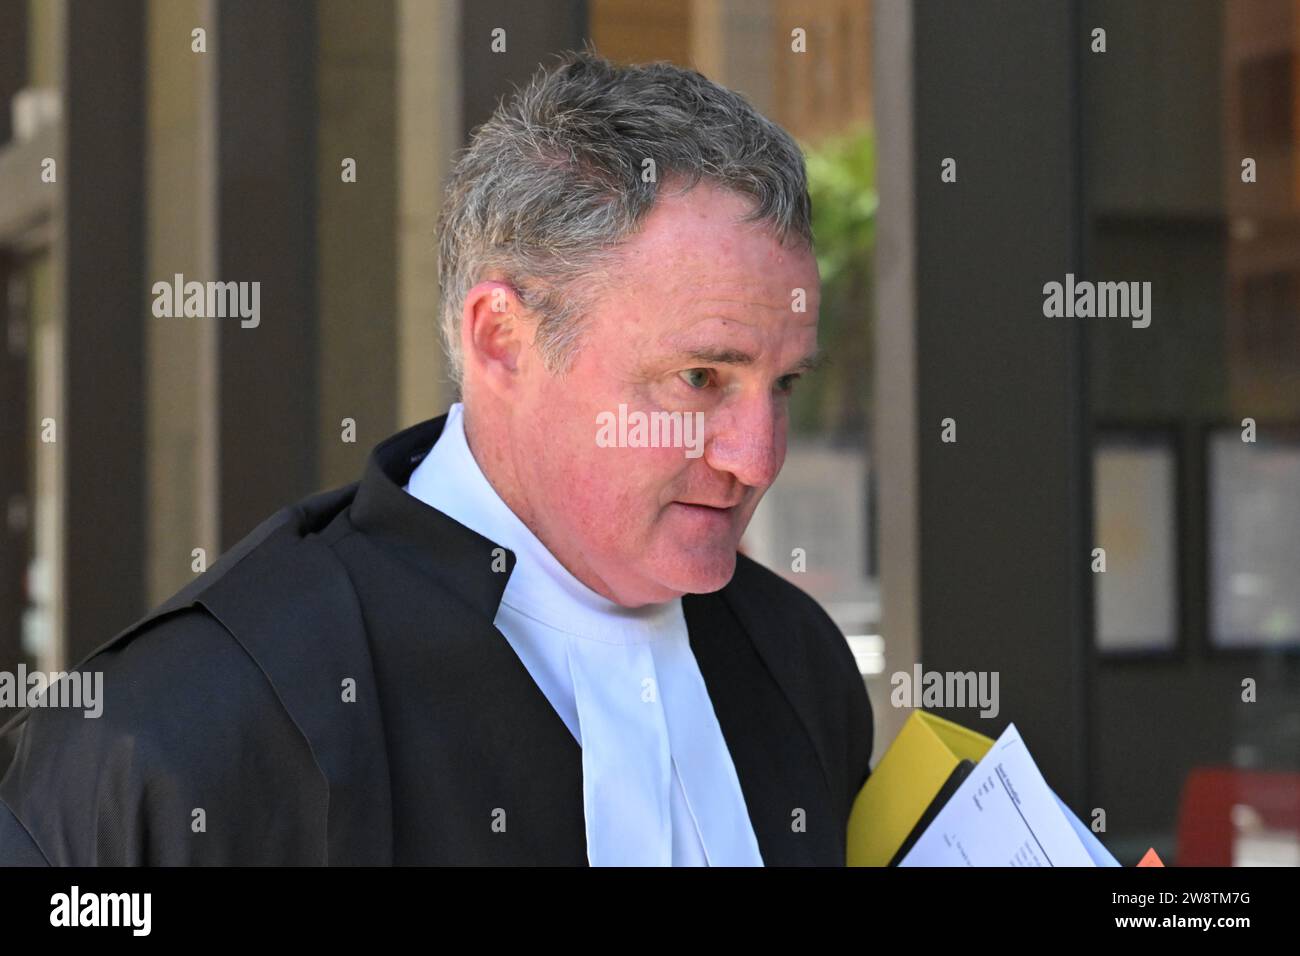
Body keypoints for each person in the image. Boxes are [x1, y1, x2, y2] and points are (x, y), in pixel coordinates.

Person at [0, 48, 873, 866]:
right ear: (502, 341)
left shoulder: (795, 661)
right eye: (699, 377)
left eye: (784, 384)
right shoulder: (183, 725)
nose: (757, 457)